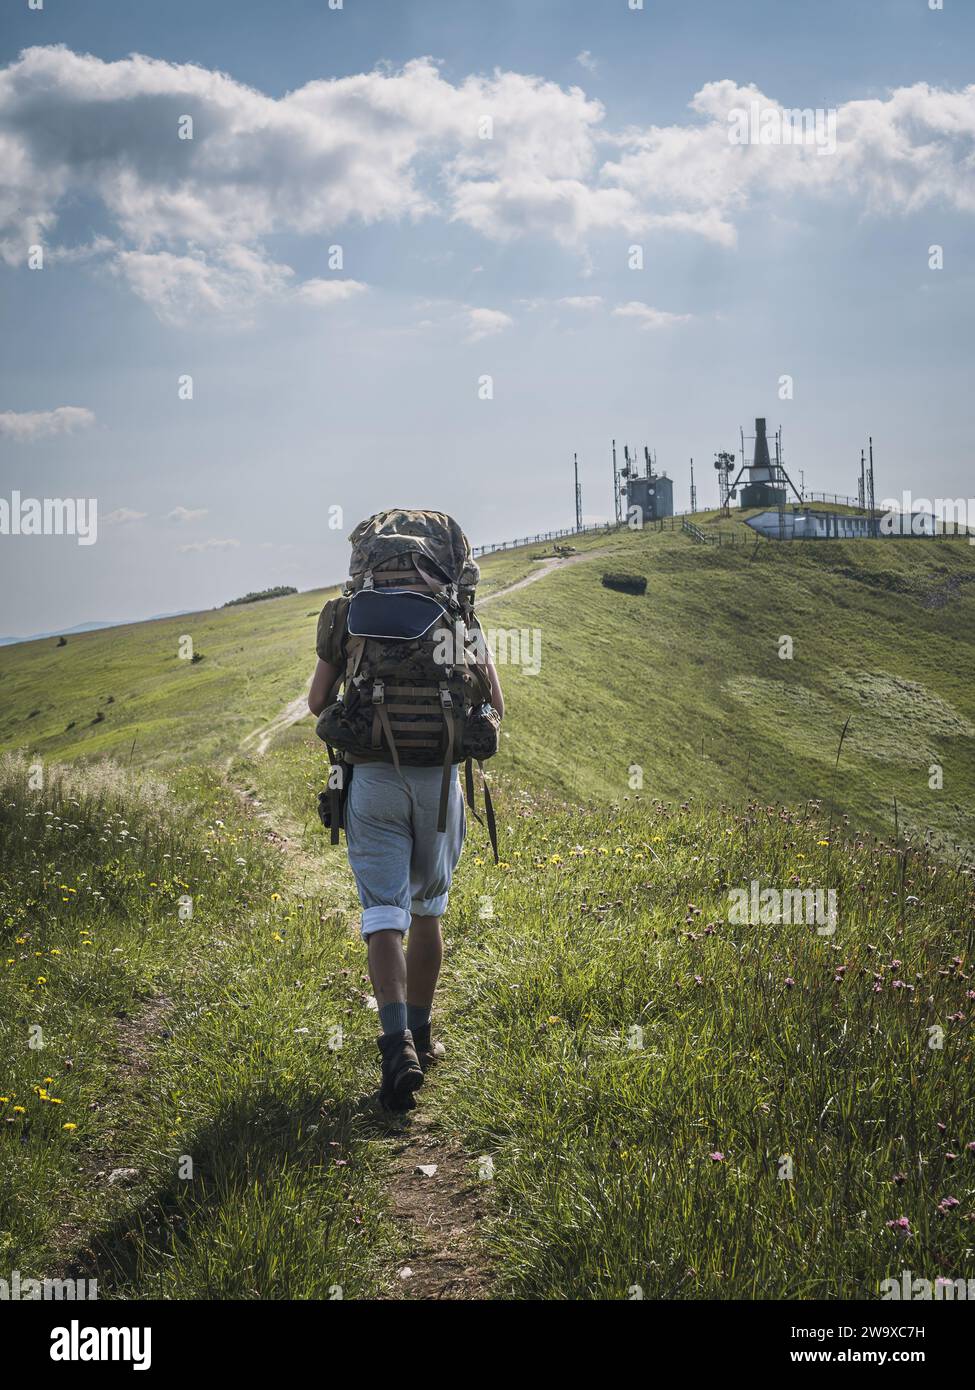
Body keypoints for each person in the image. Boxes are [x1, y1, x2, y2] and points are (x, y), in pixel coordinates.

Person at [308, 560, 504, 1112]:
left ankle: (396, 1050)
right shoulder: (460, 616)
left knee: (382, 916)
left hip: (371, 781)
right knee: (427, 910)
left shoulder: (349, 614)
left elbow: (317, 703)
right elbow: (496, 707)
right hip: (440, 784)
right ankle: (421, 1035)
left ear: (367, 565)